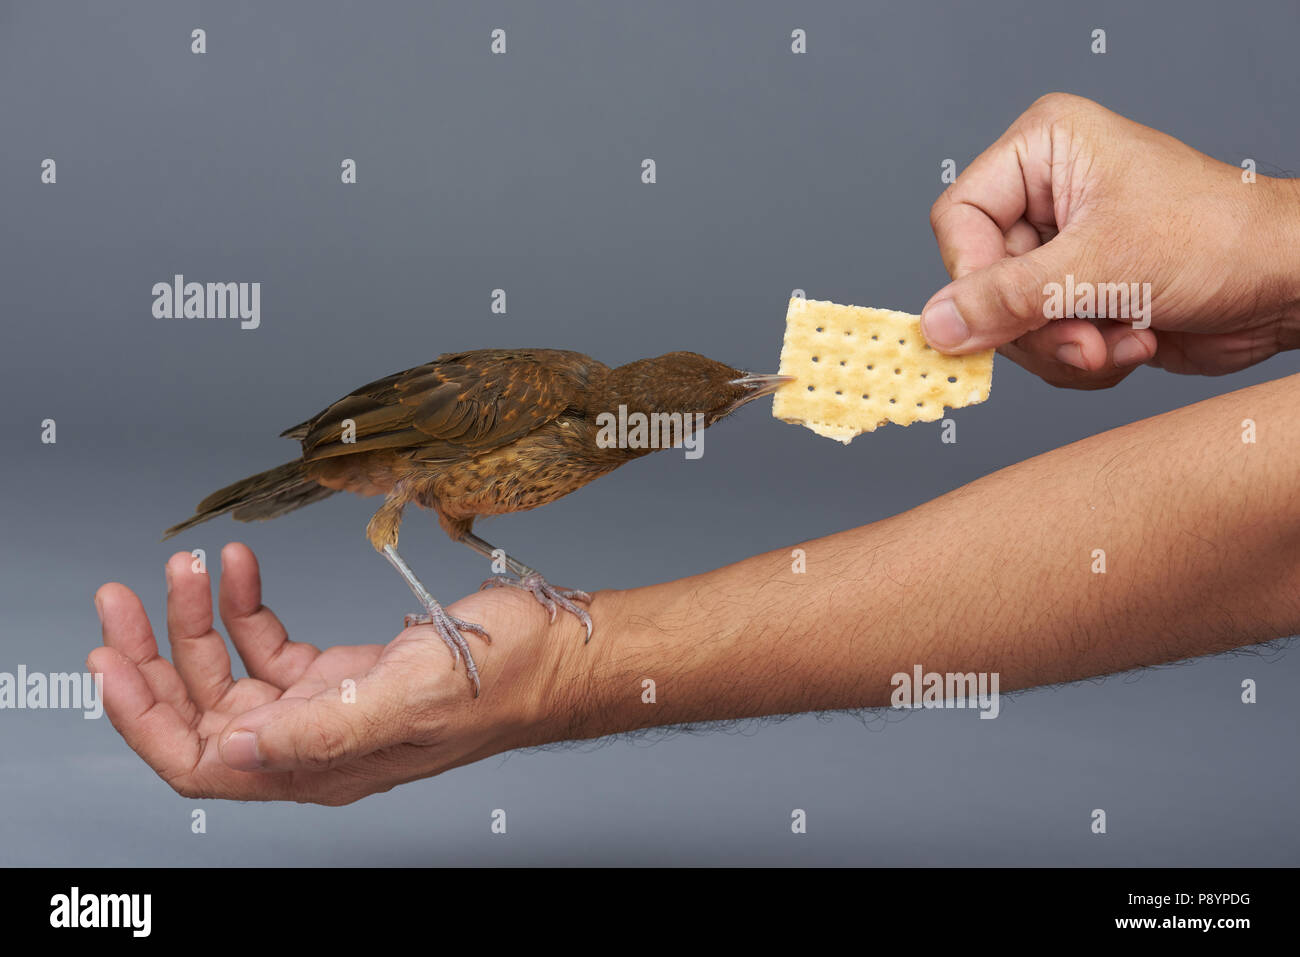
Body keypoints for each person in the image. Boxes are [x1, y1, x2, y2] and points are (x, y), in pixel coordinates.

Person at [89, 94, 1300, 805]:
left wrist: (563, 648)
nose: (704, 430)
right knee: (401, 520)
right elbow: (401, 440)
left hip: (474, 487)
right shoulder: (547, 403)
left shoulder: (607, 435)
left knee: (468, 533)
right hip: (384, 461)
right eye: (698, 420)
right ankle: (425, 586)